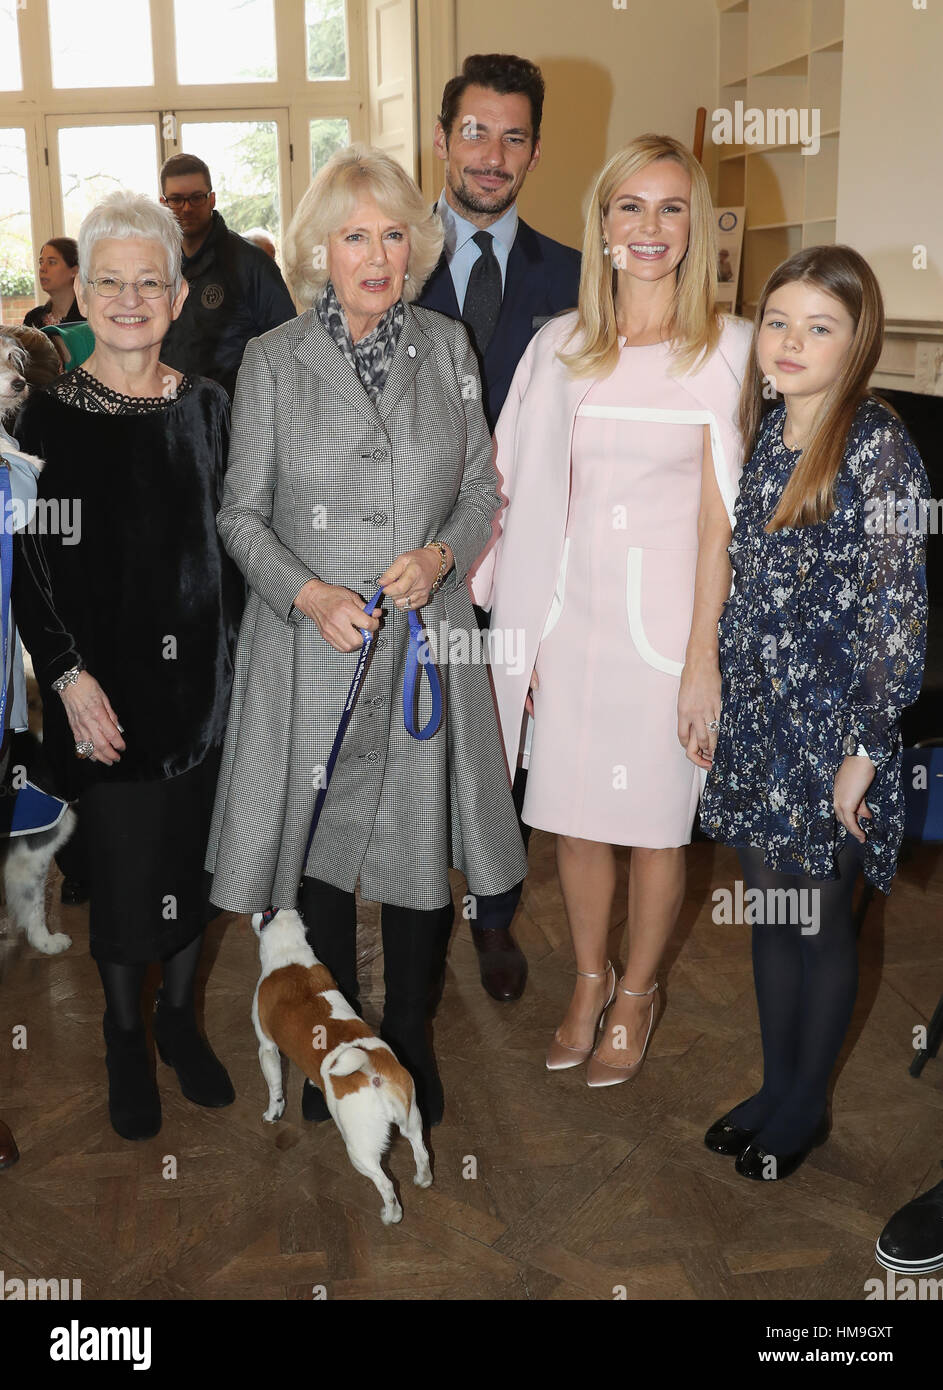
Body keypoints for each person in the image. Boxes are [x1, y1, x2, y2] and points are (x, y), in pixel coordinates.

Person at [206, 145, 528, 1128]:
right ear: (319, 252)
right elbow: (239, 515)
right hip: (316, 650)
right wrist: (307, 593)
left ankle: (414, 1035)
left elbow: (482, 488)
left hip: (426, 641)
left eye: (394, 234)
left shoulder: (449, 347)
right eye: (355, 237)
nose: (378, 255)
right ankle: (336, 1037)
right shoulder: (271, 361)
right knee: (322, 858)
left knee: (419, 851)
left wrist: (440, 558)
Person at [470, 134, 752, 1084]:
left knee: (657, 828)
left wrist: (703, 659)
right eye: (629, 206)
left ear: (694, 228)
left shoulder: (733, 353)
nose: (648, 228)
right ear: (601, 222)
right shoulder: (558, 348)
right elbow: (504, 488)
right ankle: (587, 981)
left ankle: (636, 993)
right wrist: (517, 631)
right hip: (569, 624)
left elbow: (732, 525)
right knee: (575, 822)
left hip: (672, 639)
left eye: (670, 209)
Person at [11, 191, 246, 1142]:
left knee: (192, 875)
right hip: (103, 698)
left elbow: (239, 546)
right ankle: (122, 1035)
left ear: (179, 293)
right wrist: (67, 678)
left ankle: (180, 1023)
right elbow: (28, 569)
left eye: (150, 279)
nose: (130, 296)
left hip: (207, 695)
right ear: (83, 295)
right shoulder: (48, 422)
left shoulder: (209, 408)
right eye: (109, 279)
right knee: (122, 883)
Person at [700, 245, 928, 1180]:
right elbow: (745, 583)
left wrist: (864, 751)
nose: (791, 343)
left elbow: (898, 612)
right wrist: (712, 685)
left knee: (818, 922)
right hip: (760, 718)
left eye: (818, 328)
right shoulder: (762, 430)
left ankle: (804, 1108)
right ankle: (774, 1083)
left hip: (834, 733)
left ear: (856, 340)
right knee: (772, 912)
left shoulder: (876, 446)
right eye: (780, 322)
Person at [418, 52, 582, 1002]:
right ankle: (413, 909)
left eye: (512, 135)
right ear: (441, 140)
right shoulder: (389, 259)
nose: (491, 153)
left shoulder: (573, 276)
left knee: (503, 739)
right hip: (411, 551)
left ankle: (494, 911)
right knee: (413, 735)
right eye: (473, 131)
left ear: (533, 150)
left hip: (524, 557)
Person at [158, 154, 296, 397]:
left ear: (212, 199)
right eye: (177, 200)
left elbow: (289, 345)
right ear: (163, 203)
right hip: (172, 416)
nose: (187, 208)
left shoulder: (251, 264)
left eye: (196, 198)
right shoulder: (156, 266)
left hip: (236, 419)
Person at [22, 239, 85, 329]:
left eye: (52, 262)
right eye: (41, 262)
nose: (42, 269)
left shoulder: (88, 318)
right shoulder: (32, 318)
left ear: (75, 270)